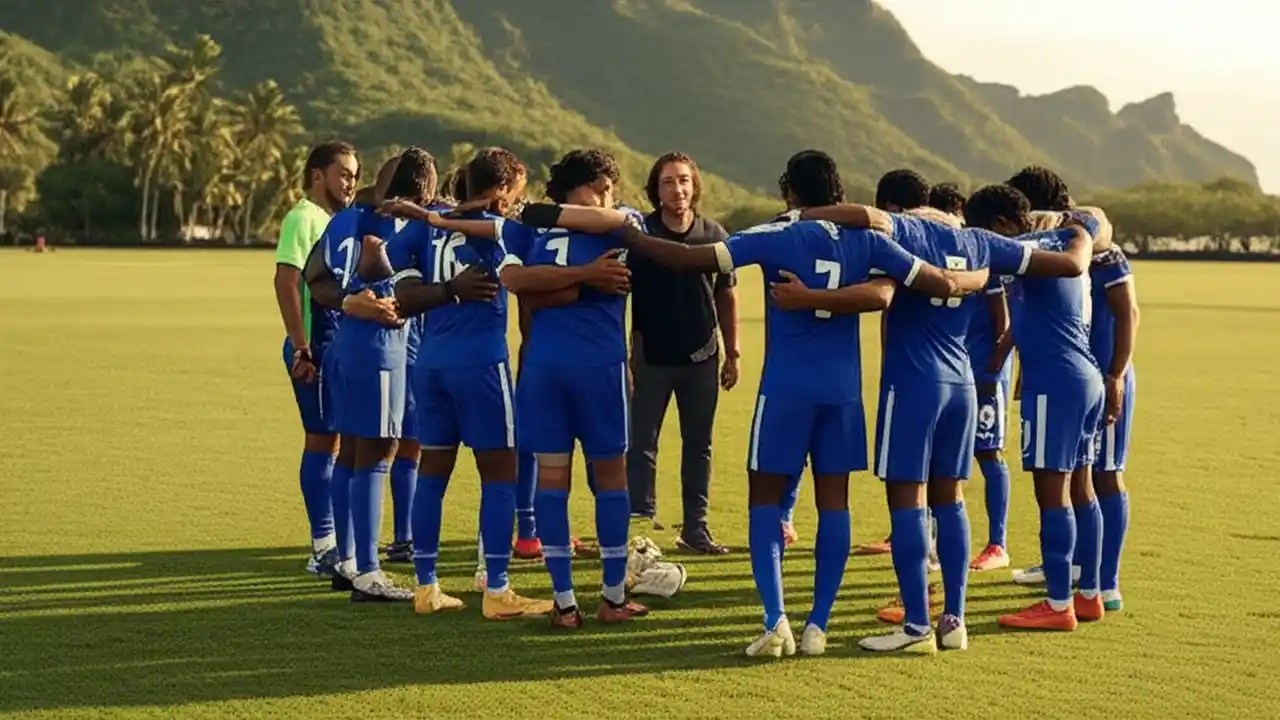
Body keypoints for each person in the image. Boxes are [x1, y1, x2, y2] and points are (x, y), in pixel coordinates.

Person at [527, 149, 990, 657]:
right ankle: (818, 626)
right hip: (843, 395)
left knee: (765, 504)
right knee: (834, 505)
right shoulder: (871, 240)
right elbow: (908, 287)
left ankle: (776, 622)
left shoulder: (778, 234)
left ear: (788, 190)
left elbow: (692, 258)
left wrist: (633, 235)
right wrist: (976, 276)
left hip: (787, 392)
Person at [793, 200, 989, 653]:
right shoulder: (975, 256)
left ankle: (917, 625)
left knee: (908, 499)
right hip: (962, 383)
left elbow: (873, 258)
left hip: (914, 384)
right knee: (951, 498)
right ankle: (955, 619)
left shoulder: (903, 252)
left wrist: (804, 217)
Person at [389, 147, 555, 619]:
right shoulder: (499, 233)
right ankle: (497, 589)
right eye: (514, 195)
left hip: (431, 366)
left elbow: (400, 293)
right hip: (481, 365)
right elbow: (526, 277)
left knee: (433, 474)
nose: (515, 205)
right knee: (501, 475)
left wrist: (443, 292)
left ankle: (426, 586)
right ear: (499, 191)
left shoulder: (428, 224)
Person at [503, 149, 655, 630]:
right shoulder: (616, 224)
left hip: (551, 367)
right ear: (579, 189)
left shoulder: (534, 228)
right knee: (605, 479)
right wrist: (586, 278)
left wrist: (550, 291)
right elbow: (516, 284)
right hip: (594, 369)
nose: (610, 197)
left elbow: (526, 286)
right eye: (601, 188)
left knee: (559, 480)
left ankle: (572, 603)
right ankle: (599, 599)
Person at [963, 184, 1111, 630]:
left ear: (1002, 225)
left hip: (1054, 383)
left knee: (1053, 496)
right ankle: (1089, 596)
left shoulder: (1022, 248)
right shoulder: (1061, 236)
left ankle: (1057, 603)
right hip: (1085, 378)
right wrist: (1002, 352)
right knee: (1082, 488)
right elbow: (1096, 218)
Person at [627, 152, 738, 555]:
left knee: (699, 445)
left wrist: (733, 353)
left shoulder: (714, 234)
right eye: (669, 182)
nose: (678, 189)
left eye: (684, 181)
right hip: (650, 358)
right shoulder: (640, 234)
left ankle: (696, 530)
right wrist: (628, 358)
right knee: (642, 444)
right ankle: (640, 531)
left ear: (695, 186)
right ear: (655, 190)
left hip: (702, 357)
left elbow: (726, 294)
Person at [272, 140, 359, 578]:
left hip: (336, 346)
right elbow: (286, 281)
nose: (350, 182)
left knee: (338, 443)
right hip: (314, 346)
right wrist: (302, 346)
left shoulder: (338, 222)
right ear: (317, 175)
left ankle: (337, 541)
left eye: (355, 175)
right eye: (343, 172)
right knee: (322, 441)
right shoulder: (302, 218)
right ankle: (323, 545)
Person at [1087, 246, 1138, 612]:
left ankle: (1108, 583)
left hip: (1107, 378)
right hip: (1080, 379)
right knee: (1079, 474)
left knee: (1107, 473)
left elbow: (1130, 313)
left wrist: (1116, 375)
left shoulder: (1104, 257)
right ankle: (1078, 567)